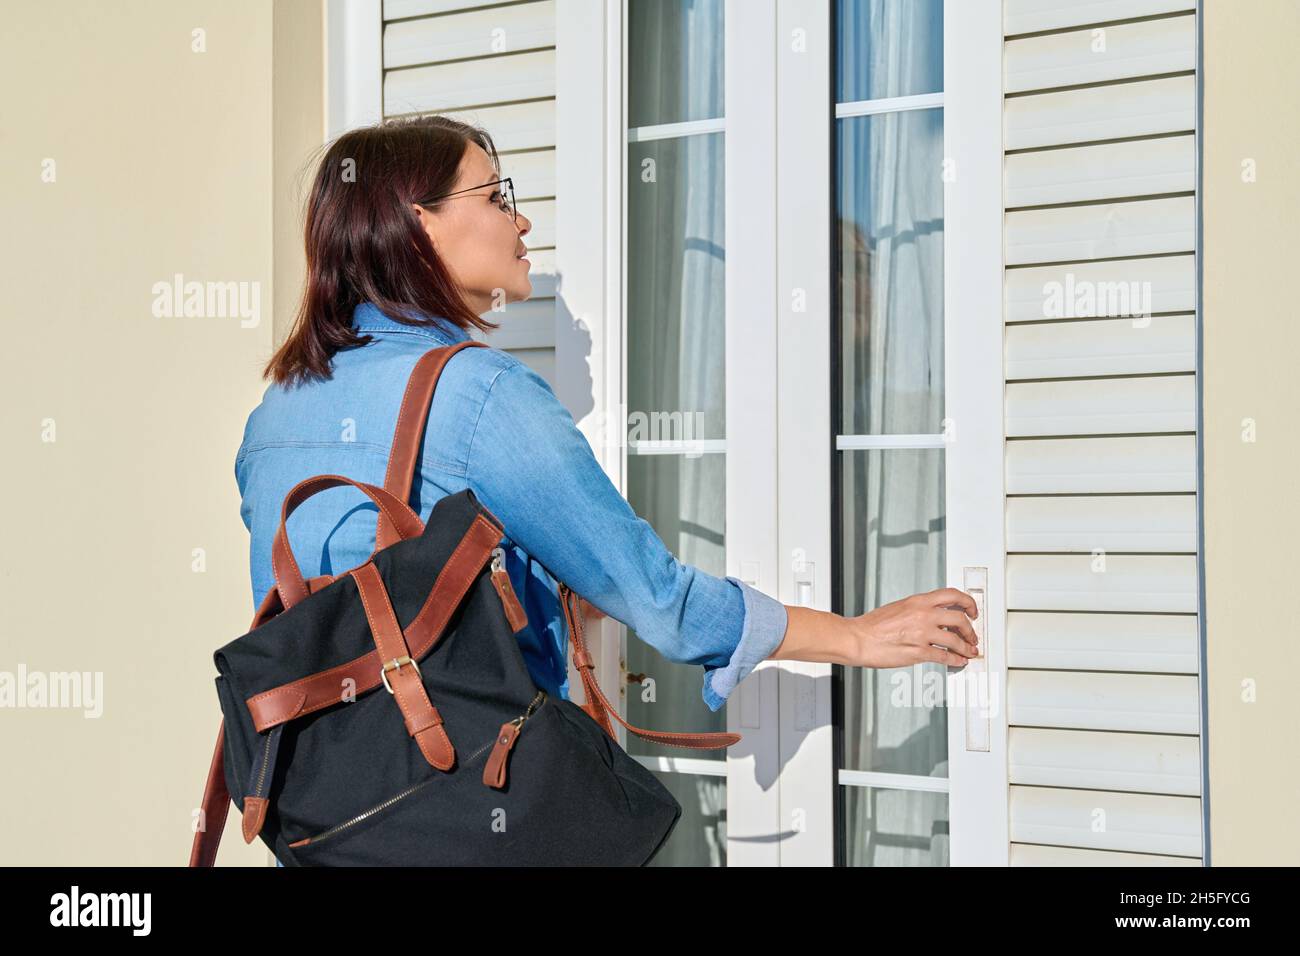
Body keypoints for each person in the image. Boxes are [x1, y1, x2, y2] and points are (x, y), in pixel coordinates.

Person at [238, 115, 979, 867]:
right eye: (497, 197)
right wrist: (854, 636)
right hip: (463, 813)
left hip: (328, 824)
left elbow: (345, 604)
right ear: (416, 222)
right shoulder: (480, 393)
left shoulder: (278, 410)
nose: (521, 219)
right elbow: (661, 601)